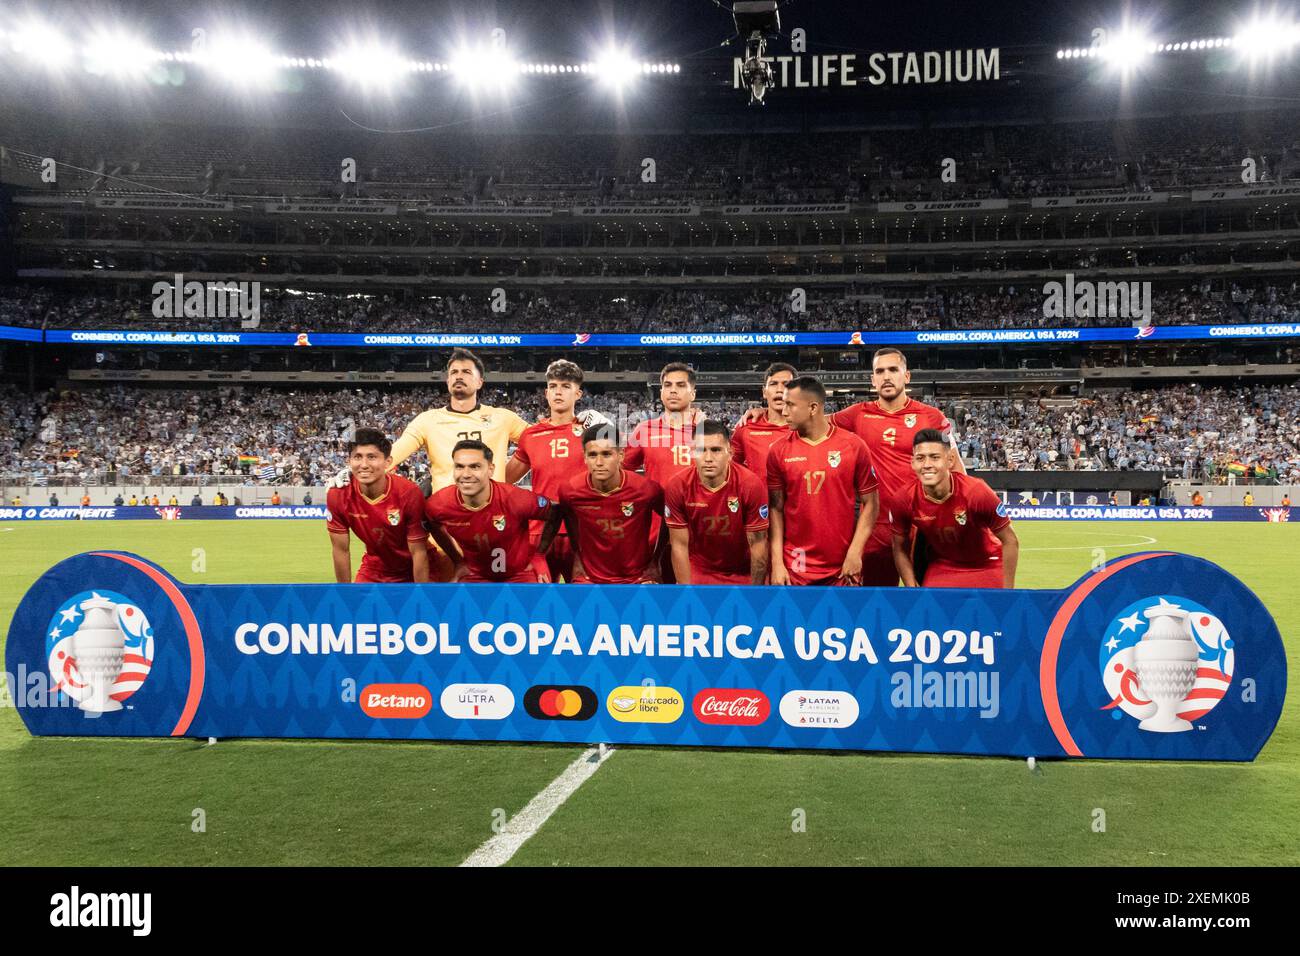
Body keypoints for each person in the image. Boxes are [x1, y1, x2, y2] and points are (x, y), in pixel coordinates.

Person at [374, 348, 528, 581]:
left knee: (496, 604)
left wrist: (506, 477)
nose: (459, 376)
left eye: (467, 371)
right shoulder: (428, 420)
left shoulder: (502, 418)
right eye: (454, 372)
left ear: (480, 381)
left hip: (495, 526)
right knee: (446, 606)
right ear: (447, 381)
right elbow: (392, 456)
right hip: (446, 531)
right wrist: (353, 472)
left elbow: (538, 444)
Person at [766, 376, 879, 586]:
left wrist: (855, 552)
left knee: (842, 620)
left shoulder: (854, 446)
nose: (784, 411)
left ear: (813, 408)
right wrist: (778, 563)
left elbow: (871, 503)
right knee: (795, 620)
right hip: (795, 567)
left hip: (843, 565)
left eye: (790, 405)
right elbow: (776, 509)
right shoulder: (778, 451)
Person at [893, 429, 1019, 589]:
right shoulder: (904, 499)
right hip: (944, 566)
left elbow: (1010, 540)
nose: (927, 465)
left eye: (935, 457)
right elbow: (899, 548)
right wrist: (911, 586)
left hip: (987, 563)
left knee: (993, 612)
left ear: (950, 460)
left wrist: (1008, 593)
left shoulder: (976, 492)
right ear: (913, 463)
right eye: (920, 458)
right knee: (929, 611)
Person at [505, 360, 593, 582]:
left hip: (583, 532)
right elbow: (505, 480)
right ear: (546, 393)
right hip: (540, 533)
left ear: (578, 394)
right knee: (538, 604)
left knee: (584, 603)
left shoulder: (591, 434)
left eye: (565, 386)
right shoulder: (531, 435)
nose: (558, 392)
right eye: (553, 386)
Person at [549, 424, 664, 584]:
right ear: (584, 457)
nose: (599, 462)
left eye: (606, 454)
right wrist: (578, 556)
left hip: (637, 579)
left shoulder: (646, 489)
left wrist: (655, 559)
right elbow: (569, 519)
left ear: (621, 455)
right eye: (592, 455)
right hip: (590, 579)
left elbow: (670, 517)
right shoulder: (571, 491)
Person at [425, 440, 553, 583]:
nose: (466, 474)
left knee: (537, 604)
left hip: (520, 573)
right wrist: (458, 561)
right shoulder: (439, 504)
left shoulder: (515, 498)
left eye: (475, 467)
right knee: (457, 604)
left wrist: (539, 555)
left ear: (491, 469)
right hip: (475, 575)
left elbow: (554, 511)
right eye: (460, 467)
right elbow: (432, 524)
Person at [624, 362, 705, 583]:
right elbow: (620, 472)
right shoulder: (644, 430)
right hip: (654, 535)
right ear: (660, 392)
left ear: (693, 392)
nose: (673, 390)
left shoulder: (708, 432)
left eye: (680, 385)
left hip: (699, 534)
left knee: (697, 603)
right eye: (667, 385)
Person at [665, 421, 769, 585]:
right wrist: (685, 591)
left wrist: (755, 593)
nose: (708, 458)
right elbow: (679, 546)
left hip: (743, 571)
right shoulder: (677, 486)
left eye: (716, 450)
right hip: (700, 571)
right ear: (692, 452)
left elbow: (758, 545)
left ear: (730, 452)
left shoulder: (750, 484)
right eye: (701, 450)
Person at [326, 428, 429, 583]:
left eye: (372, 457)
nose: (364, 464)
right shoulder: (337, 495)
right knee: (357, 606)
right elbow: (340, 550)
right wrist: (345, 594)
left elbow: (419, 552)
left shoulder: (409, 493)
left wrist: (420, 595)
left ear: (388, 462)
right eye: (357, 457)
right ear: (349, 461)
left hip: (417, 566)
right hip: (375, 568)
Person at [730, 363, 796, 485]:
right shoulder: (747, 427)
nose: (780, 390)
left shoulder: (808, 428)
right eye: (773, 384)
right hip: (760, 503)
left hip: (798, 503)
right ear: (764, 392)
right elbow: (729, 470)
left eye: (787, 384)